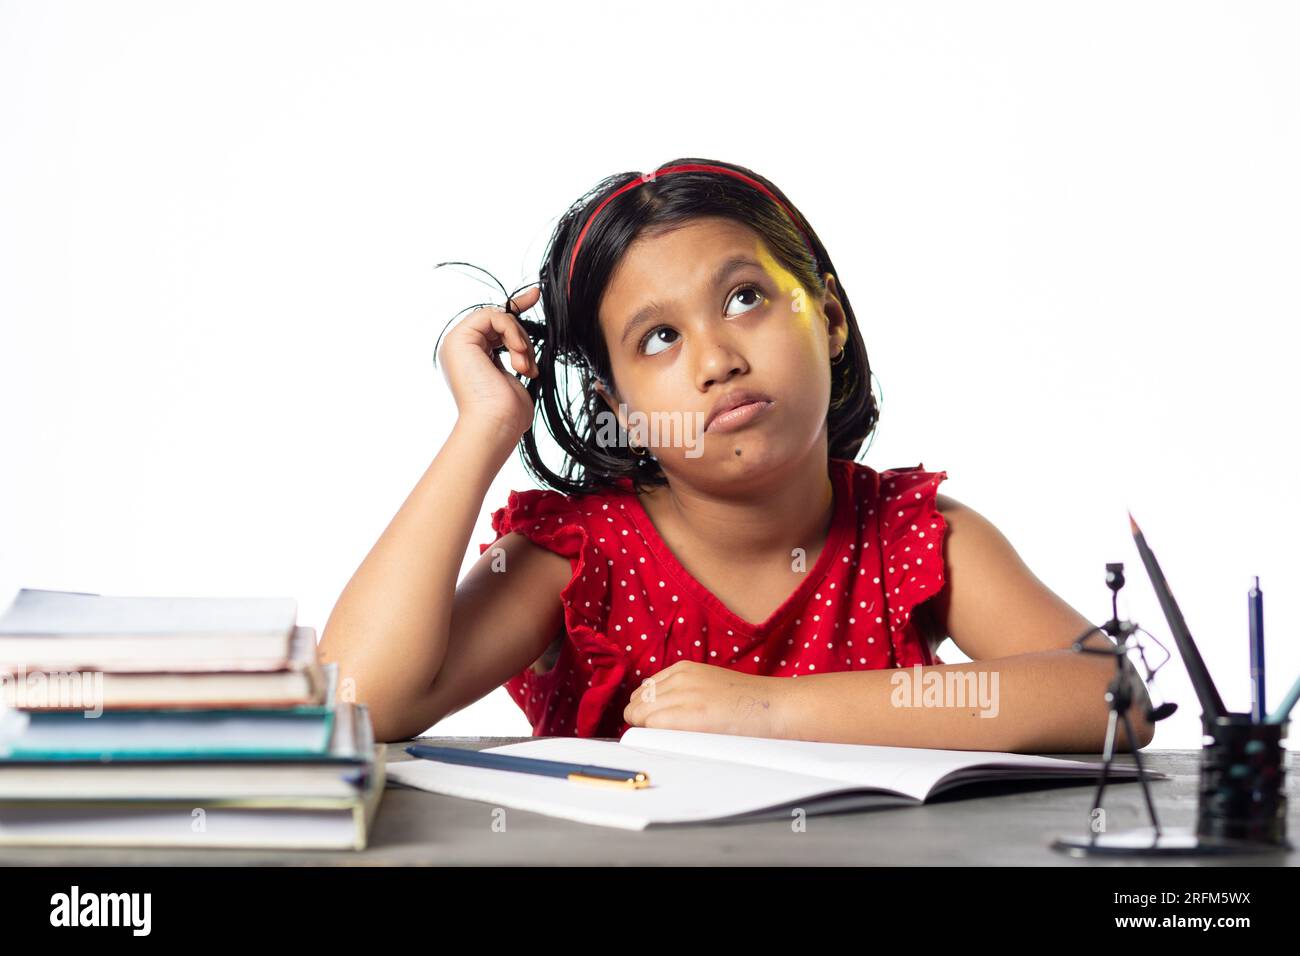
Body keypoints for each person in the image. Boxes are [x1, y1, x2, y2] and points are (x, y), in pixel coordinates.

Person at [318, 157, 1156, 752]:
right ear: (619, 411)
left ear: (827, 318)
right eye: (658, 339)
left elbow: (1111, 696)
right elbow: (356, 700)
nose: (716, 359)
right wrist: (484, 428)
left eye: (746, 297)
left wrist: (774, 711)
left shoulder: (909, 538)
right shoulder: (576, 560)